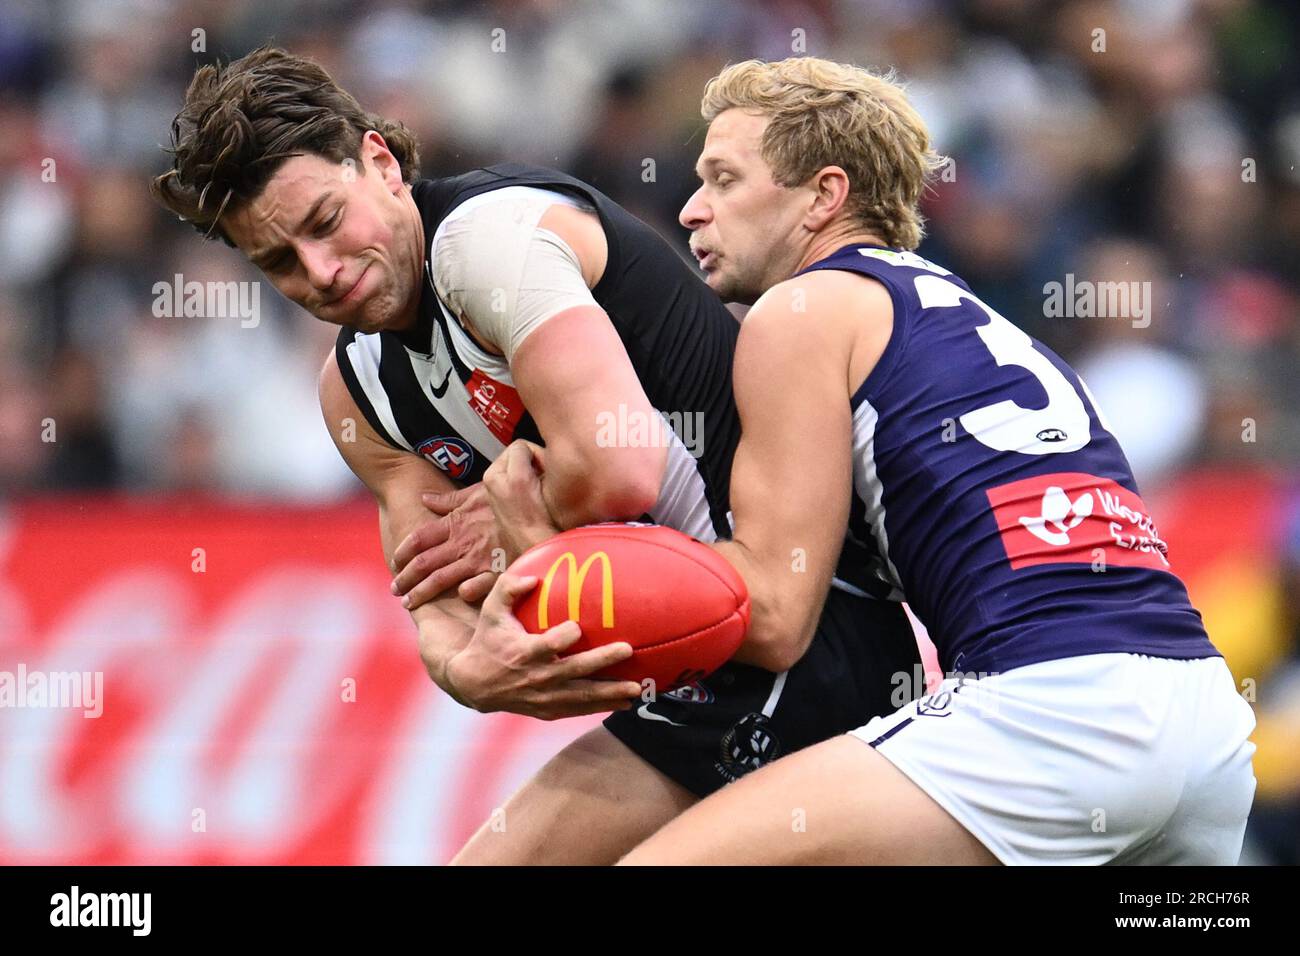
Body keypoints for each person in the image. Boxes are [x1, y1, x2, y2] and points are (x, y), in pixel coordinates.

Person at [150, 47, 921, 865]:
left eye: (325, 222)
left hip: (813, 640)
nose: (322, 273)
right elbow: (435, 599)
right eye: (279, 262)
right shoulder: (354, 391)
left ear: (380, 163)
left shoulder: (488, 241)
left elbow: (621, 464)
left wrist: (515, 515)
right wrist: (470, 672)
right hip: (692, 681)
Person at [489, 57, 1258, 865]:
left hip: (1052, 710)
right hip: (1204, 724)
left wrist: (558, 558)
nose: (691, 208)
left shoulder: (802, 308)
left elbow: (774, 614)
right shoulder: (966, 314)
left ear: (824, 195)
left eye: (723, 179)